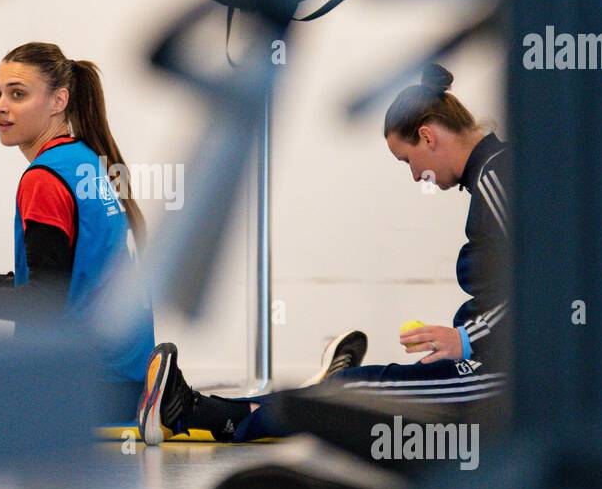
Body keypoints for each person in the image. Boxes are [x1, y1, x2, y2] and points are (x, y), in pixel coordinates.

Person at [138, 63, 510, 446]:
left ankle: (197, 413)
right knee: (351, 392)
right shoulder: (493, 175)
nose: (415, 176)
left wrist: (466, 338)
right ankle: (198, 408)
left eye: (407, 160)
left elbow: (543, 290)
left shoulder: (496, 177)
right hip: (490, 364)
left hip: (503, 380)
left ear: (428, 137)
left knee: (349, 396)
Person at [0, 42, 155, 420]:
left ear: (58, 101)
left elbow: (43, 304)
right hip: (126, 382)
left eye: (17, 94)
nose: (1, 107)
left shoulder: (43, 178)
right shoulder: (85, 160)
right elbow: (71, 280)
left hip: (85, 388)